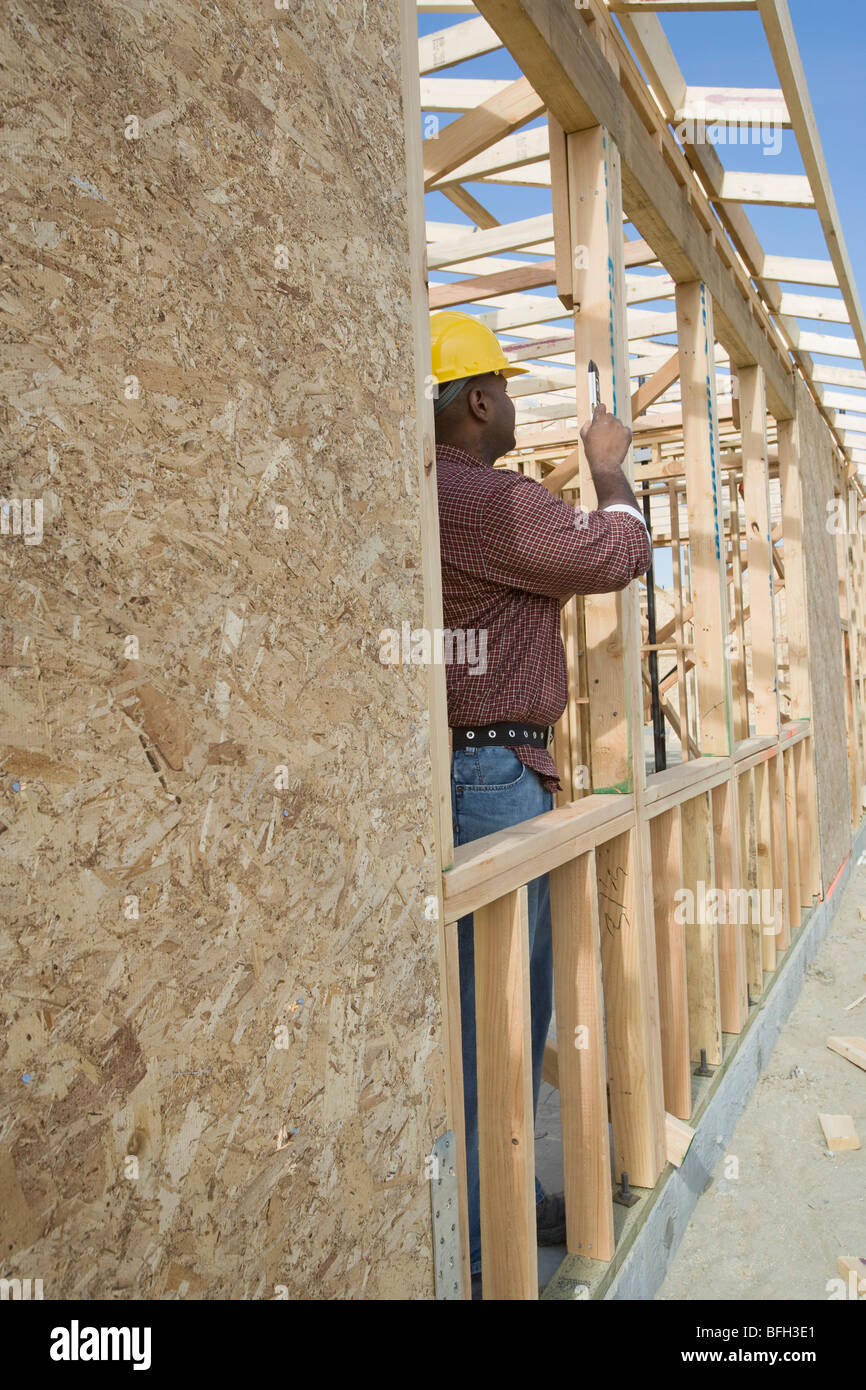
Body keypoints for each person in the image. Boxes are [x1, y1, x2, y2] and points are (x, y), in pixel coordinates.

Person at [430, 310, 652, 1299]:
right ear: (478, 401)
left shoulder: (421, 498)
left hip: (450, 771)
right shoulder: (482, 499)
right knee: (497, 1025)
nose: (515, 403)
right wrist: (607, 472)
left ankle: (488, 1205)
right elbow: (613, 555)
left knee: (477, 1018)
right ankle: (484, 1244)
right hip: (489, 778)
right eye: (506, 388)